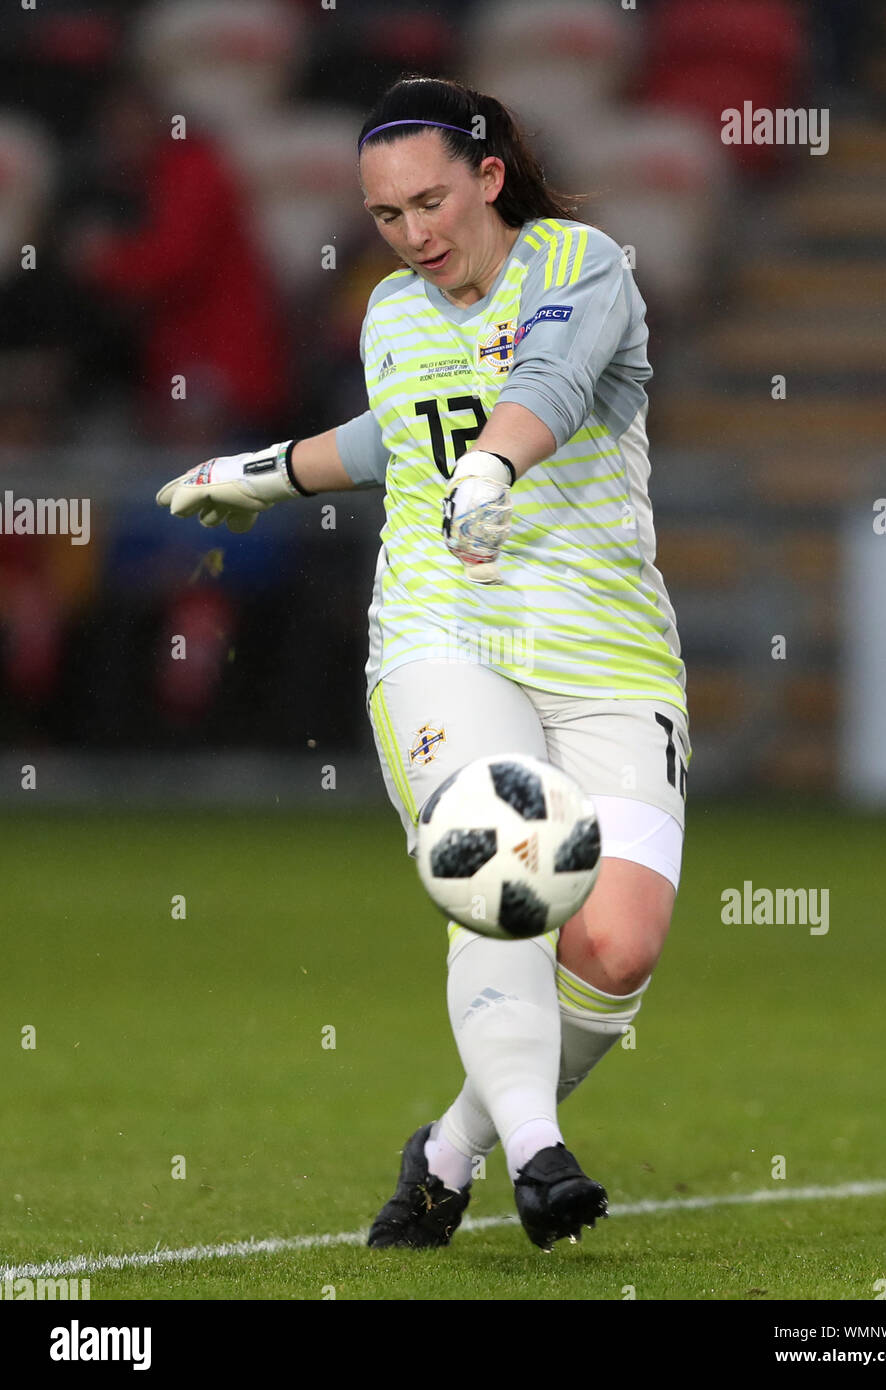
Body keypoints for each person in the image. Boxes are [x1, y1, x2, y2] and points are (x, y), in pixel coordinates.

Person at [156, 76, 690, 1254]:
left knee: (615, 945)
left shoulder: (583, 265)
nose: (414, 235)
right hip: (441, 629)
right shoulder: (393, 311)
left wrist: (496, 470)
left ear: (490, 176)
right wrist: (264, 471)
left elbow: (542, 385)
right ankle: (542, 1157)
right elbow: (400, 436)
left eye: (432, 203)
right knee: (497, 866)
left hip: (608, 646)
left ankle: (451, 1150)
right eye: (387, 216)